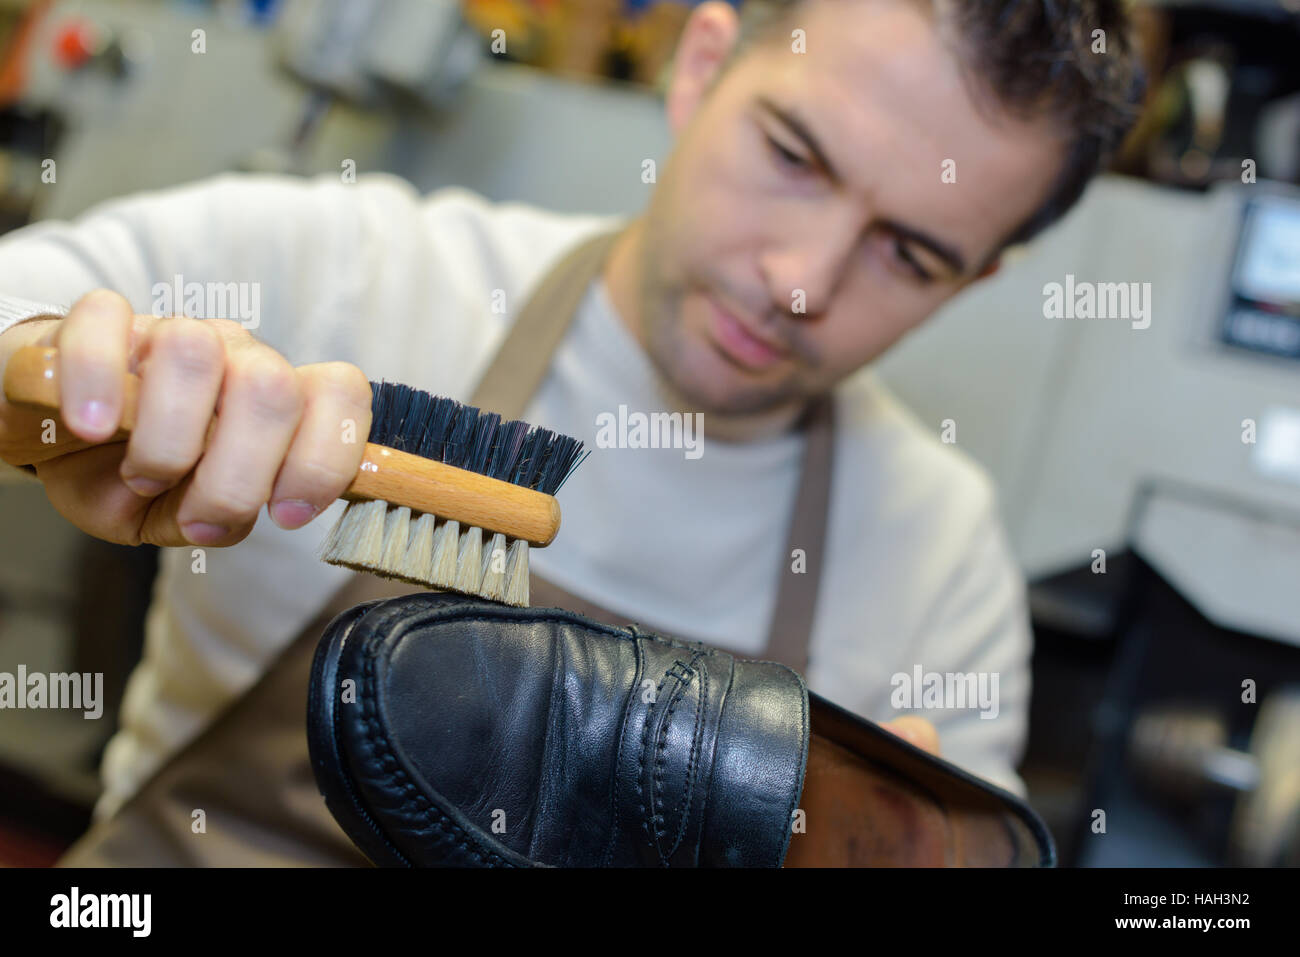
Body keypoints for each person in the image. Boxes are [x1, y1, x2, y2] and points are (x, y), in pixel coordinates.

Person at [0, 0, 1142, 862]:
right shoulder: (357, 271)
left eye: (912, 253)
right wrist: (62, 385)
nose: (802, 280)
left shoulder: (941, 559)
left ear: (978, 278)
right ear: (701, 71)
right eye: (794, 157)